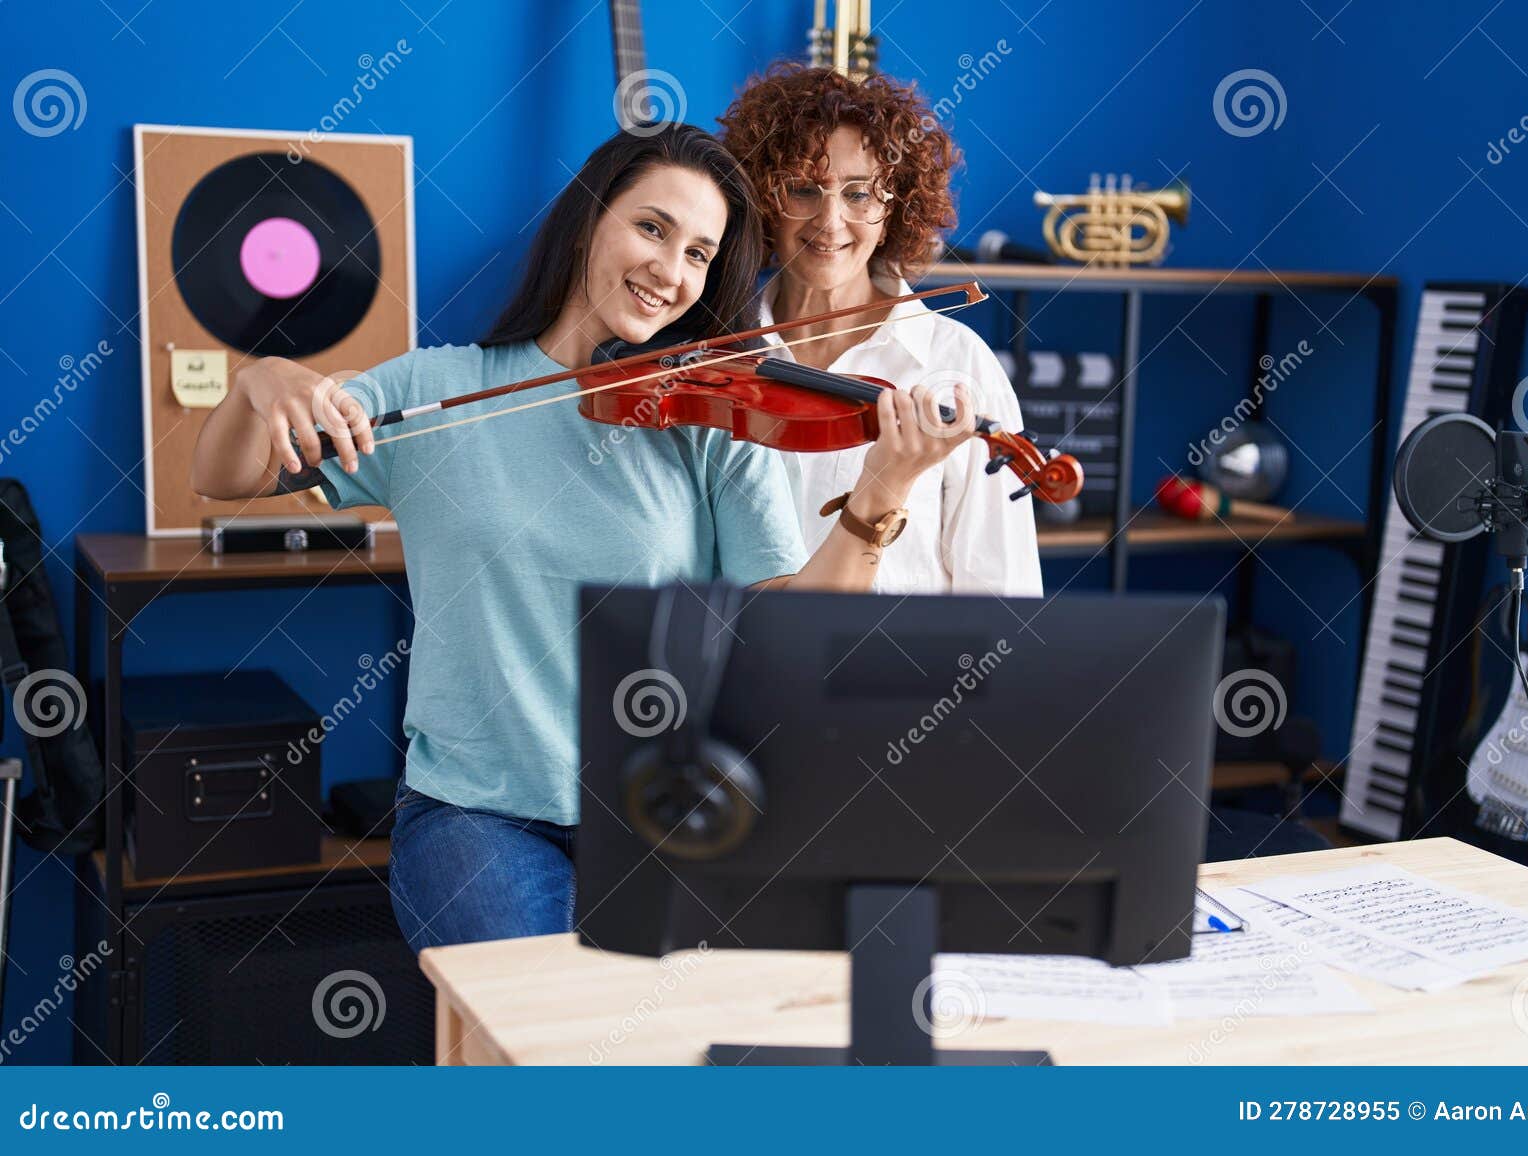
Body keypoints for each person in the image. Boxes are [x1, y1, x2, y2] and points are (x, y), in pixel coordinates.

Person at [190, 124, 974, 952]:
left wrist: (884, 489)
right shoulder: (433, 389)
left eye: (701, 254)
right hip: (477, 818)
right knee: (550, 1033)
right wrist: (260, 380)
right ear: (588, 221)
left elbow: (796, 637)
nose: (672, 273)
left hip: (666, 817)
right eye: (653, 228)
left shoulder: (708, 422)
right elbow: (224, 475)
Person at [720, 64, 1042, 596]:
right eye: (802, 189)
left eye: (859, 194)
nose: (829, 221)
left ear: (895, 211)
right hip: (751, 667)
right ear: (762, 201)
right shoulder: (718, 361)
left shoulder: (957, 362)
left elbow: (1002, 598)